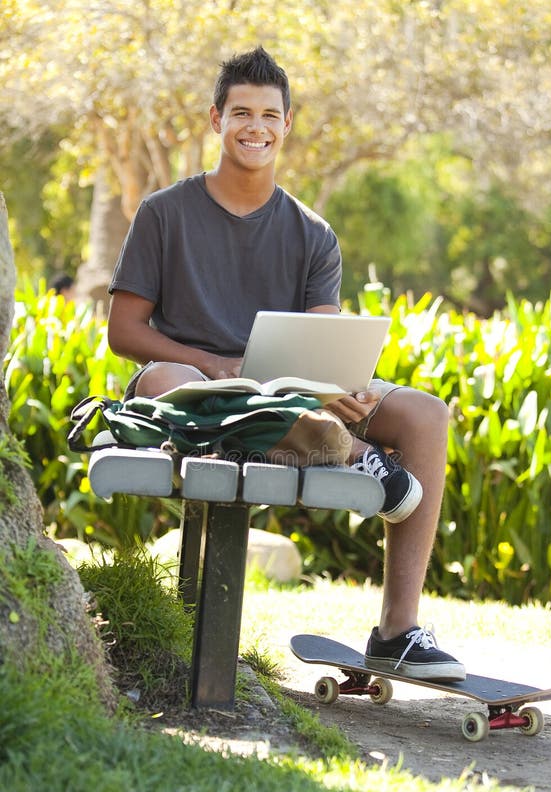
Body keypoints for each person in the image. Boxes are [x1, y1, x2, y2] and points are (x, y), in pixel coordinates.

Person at [107, 47, 465, 682]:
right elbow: (124, 332)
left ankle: (398, 632)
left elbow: (322, 335)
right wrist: (212, 363)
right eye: (241, 112)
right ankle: (346, 453)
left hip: (289, 390)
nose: (256, 127)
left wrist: (340, 384)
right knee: (173, 384)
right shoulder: (164, 212)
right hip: (192, 386)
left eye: (269, 115)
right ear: (216, 120)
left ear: (287, 123)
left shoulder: (312, 231)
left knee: (425, 414)